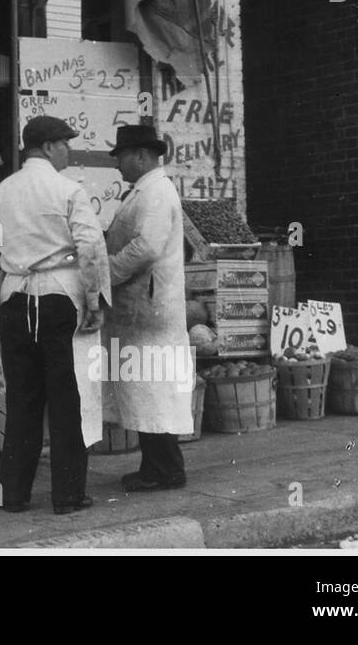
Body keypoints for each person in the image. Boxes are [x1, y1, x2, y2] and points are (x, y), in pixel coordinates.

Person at [0, 116, 111, 515]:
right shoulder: (68, 190)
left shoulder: (0, 193)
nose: (70, 150)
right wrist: (95, 303)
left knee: (22, 401)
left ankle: (13, 494)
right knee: (68, 400)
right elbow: (90, 249)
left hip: (14, 300)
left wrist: (5, 273)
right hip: (59, 299)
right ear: (48, 147)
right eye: (66, 143)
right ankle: (67, 496)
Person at [104, 124, 194, 492]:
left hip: (151, 309)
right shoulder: (146, 190)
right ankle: (155, 466)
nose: (118, 165)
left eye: (122, 157)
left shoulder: (156, 191)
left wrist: (106, 272)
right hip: (145, 308)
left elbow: (148, 247)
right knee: (146, 390)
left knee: (153, 390)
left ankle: (167, 470)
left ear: (141, 155)